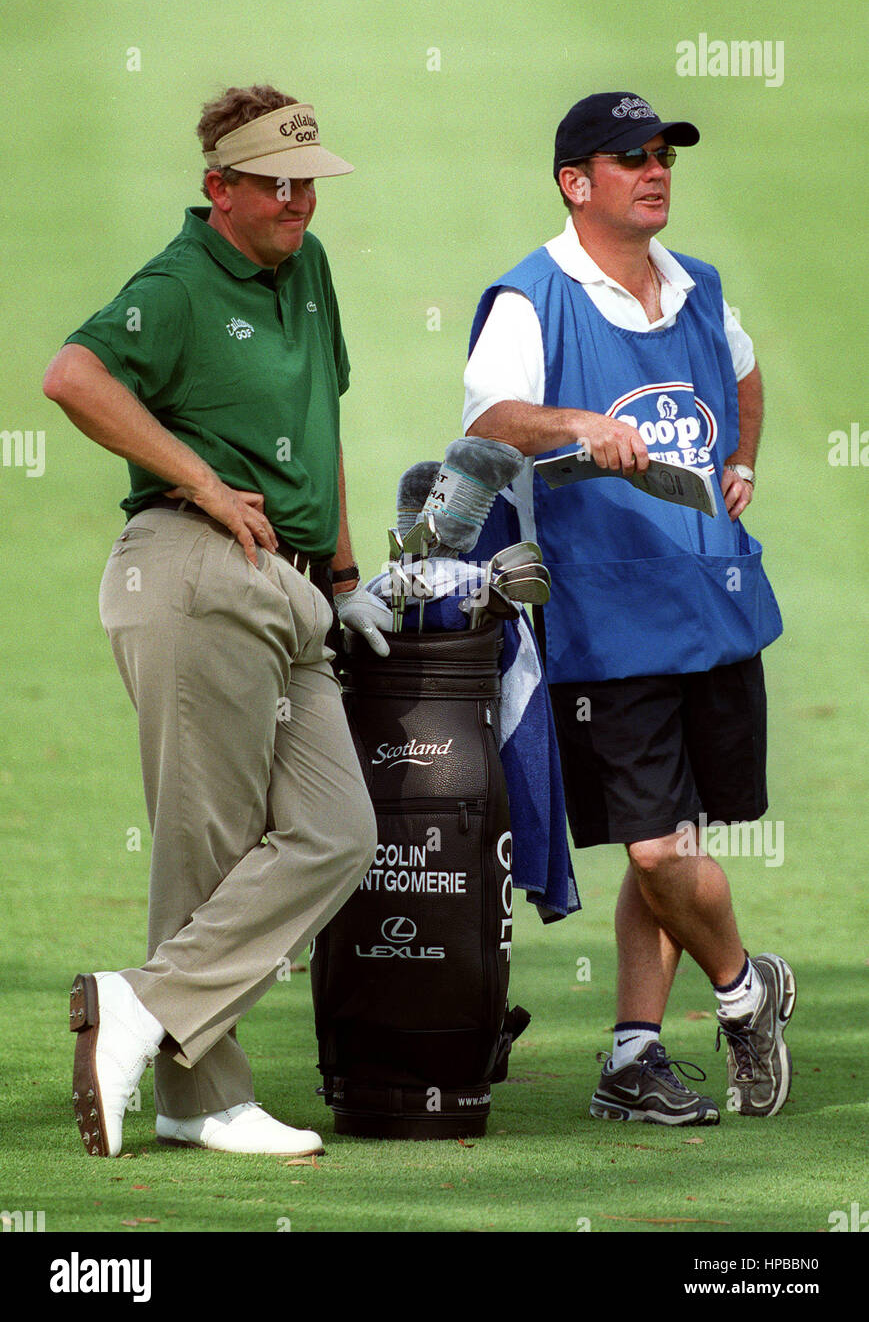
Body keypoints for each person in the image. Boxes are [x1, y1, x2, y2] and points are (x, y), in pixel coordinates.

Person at [44, 85, 391, 1158]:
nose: (297, 203)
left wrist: (341, 578)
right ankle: (202, 1096)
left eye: (307, 183)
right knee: (206, 842)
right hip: (194, 574)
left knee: (337, 833)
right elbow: (73, 375)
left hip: (287, 588)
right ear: (219, 188)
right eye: (274, 185)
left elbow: (320, 423)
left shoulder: (308, 268)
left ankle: (143, 1010)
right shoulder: (180, 282)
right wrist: (196, 477)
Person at [462, 91, 795, 1125]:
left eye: (661, 157)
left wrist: (739, 459)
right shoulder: (531, 299)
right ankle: (744, 989)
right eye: (628, 158)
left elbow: (740, 376)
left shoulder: (696, 289)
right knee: (655, 850)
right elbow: (488, 420)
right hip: (606, 624)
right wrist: (572, 422)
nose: (654, 172)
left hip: (709, 602)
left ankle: (633, 1054)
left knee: (675, 837)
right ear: (575, 183)